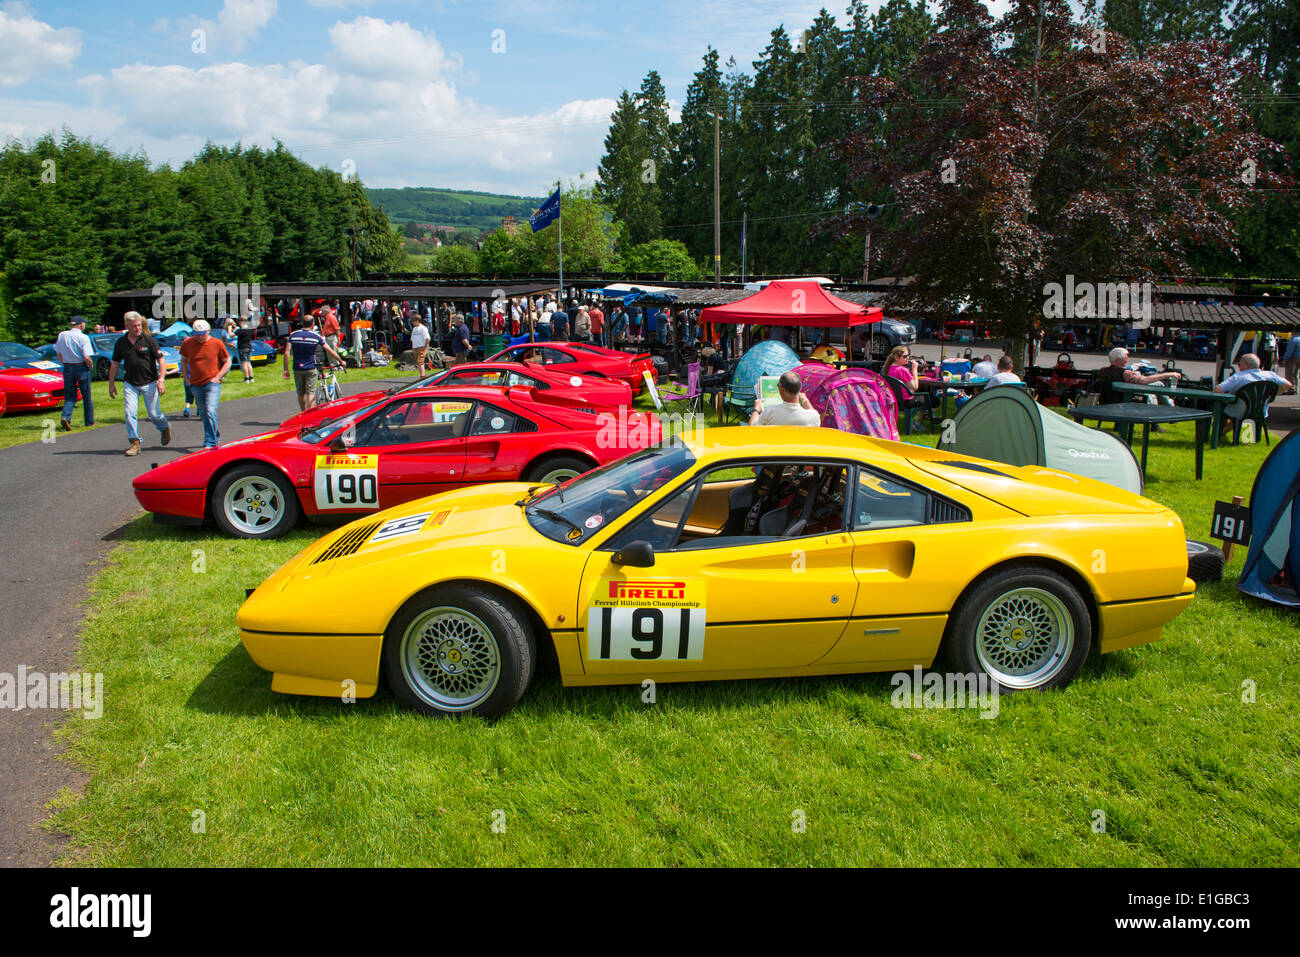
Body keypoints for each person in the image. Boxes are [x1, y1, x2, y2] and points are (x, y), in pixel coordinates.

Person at [108, 310, 171, 455]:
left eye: (139, 325)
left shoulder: (148, 340)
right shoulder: (121, 343)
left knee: (154, 414)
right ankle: (134, 443)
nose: (137, 329)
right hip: (130, 383)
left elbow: (161, 360)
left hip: (150, 382)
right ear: (127, 326)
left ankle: (164, 427)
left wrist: (161, 380)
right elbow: (115, 364)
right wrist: (111, 384)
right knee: (130, 412)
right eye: (134, 326)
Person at [179, 319, 231, 448]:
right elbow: (184, 361)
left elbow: (227, 360)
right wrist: (186, 379)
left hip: (212, 382)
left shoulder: (217, 343)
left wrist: (219, 376)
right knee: (203, 412)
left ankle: (210, 441)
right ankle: (214, 434)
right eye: (197, 334)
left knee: (210, 410)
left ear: (208, 331)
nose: (200, 337)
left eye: (202, 333)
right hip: (195, 383)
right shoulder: (188, 343)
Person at [1215, 353, 1294, 428]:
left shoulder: (1238, 377)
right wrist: (1273, 394)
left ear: (1246, 365)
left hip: (1239, 411)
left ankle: (1219, 432)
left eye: (1239, 364)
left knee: (1222, 406)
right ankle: (1227, 432)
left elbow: (1218, 389)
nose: (1238, 366)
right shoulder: (1270, 375)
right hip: (1260, 411)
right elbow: (1288, 384)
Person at [284, 315, 342, 412]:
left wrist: (286, 369)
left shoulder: (293, 335)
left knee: (300, 393)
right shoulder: (315, 336)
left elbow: (286, 353)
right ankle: (310, 417)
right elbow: (330, 350)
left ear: (302, 323)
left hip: (297, 368)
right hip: (310, 367)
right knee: (310, 393)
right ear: (313, 324)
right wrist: (341, 361)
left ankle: (303, 413)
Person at [54, 315, 95, 431]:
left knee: (70, 395)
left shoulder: (62, 335)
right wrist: (90, 366)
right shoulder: (83, 337)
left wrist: (65, 363)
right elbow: (86, 356)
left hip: (67, 367)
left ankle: (65, 416)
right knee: (86, 395)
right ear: (81, 324)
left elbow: (58, 353)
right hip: (81, 366)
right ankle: (89, 421)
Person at [749, 370, 820, 427]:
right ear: (800, 387)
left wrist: (756, 409)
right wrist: (805, 401)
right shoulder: (812, 416)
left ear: (780, 389)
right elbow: (816, 420)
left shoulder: (770, 411)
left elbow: (752, 428)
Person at [235, 317, 257, 383]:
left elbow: (231, 335)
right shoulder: (250, 330)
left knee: (244, 363)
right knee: (248, 362)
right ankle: (251, 378)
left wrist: (230, 329)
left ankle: (246, 379)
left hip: (242, 347)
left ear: (240, 322)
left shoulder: (240, 330)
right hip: (249, 346)